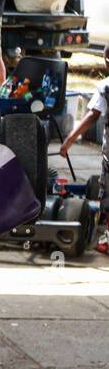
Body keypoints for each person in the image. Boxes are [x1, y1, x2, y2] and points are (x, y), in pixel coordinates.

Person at [57, 42, 109, 254]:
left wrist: (69, 138)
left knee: (107, 196)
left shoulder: (106, 87)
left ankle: (106, 238)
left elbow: (92, 115)